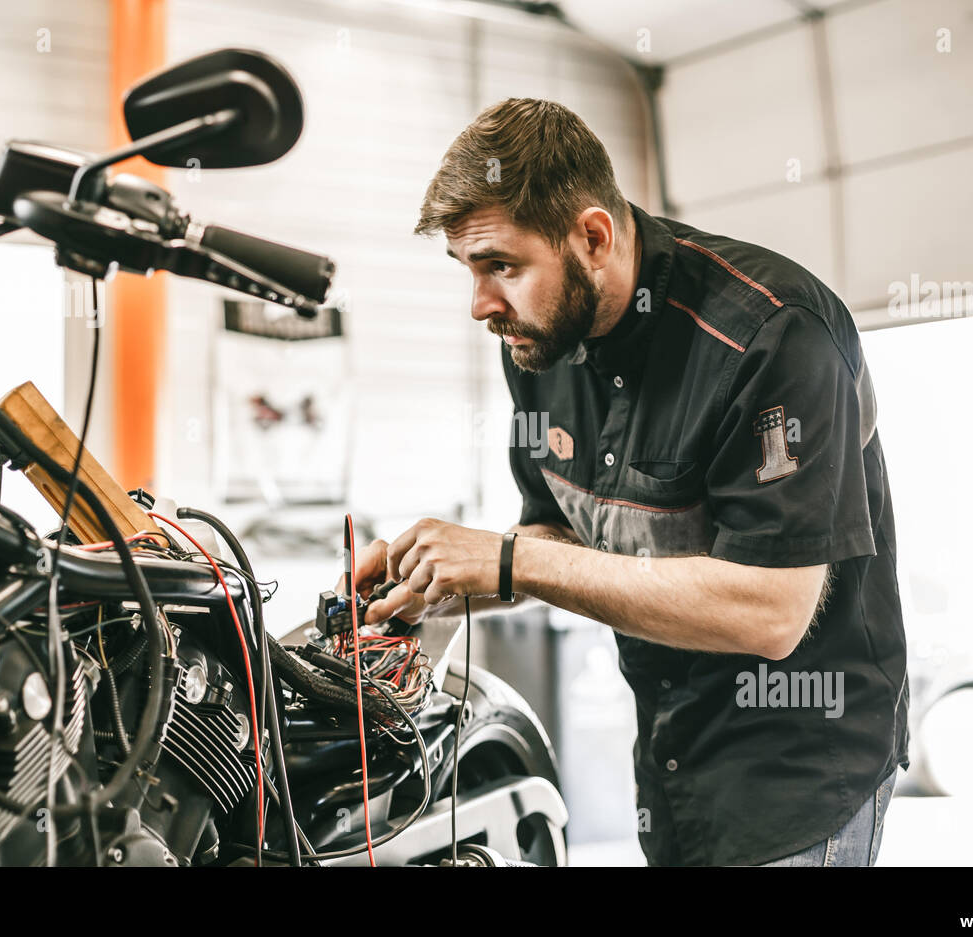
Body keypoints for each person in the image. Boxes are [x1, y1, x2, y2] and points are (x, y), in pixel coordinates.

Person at [349, 98, 909, 866]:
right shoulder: (540, 341)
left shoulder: (775, 333)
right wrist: (452, 574)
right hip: (668, 751)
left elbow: (772, 613)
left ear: (592, 237)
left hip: (801, 768)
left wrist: (507, 561)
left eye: (501, 266)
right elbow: (557, 534)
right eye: (467, 270)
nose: (479, 305)